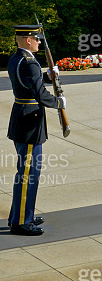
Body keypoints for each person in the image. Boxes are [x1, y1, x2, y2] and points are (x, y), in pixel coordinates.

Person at [7, 24, 66, 236]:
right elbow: (39, 94)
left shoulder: (17, 59)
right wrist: (59, 102)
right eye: (37, 39)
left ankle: (21, 214)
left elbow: (30, 83)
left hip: (22, 117)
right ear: (28, 40)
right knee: (29, 174)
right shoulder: (29, 62)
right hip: (30, 123)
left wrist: (49, 76)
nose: (39, 42)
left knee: (25, 172)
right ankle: (22, 221)